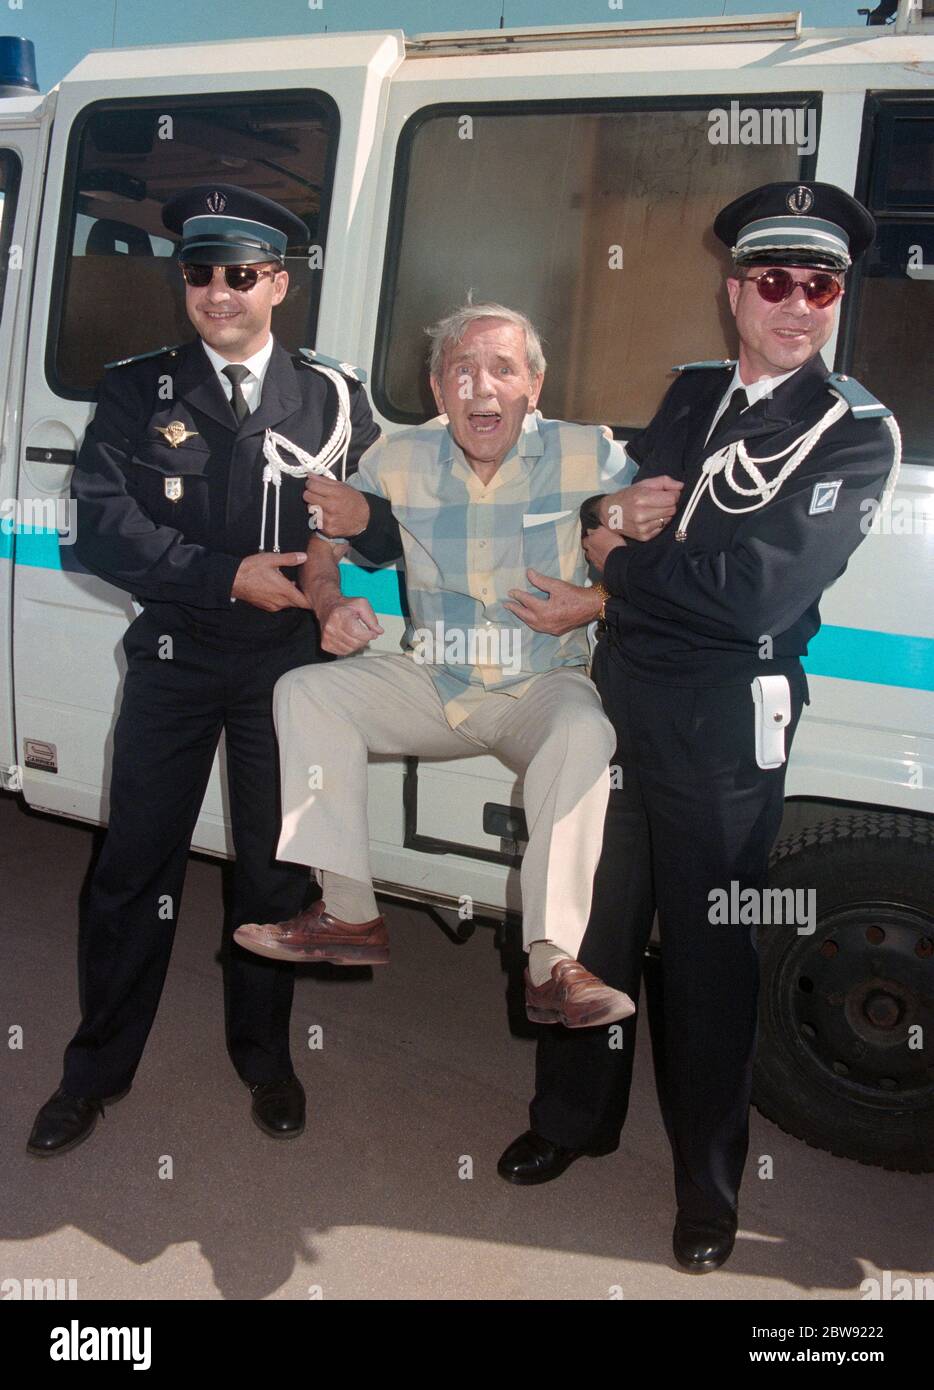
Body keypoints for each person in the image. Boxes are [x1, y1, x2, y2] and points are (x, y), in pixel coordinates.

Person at [497, 182, 901, 1273]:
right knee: (588, 925)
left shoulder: (853, 432)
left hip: (725, 720)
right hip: (621, 696)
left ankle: (708, 1192)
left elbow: (753, 596)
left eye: (818, 284)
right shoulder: (686, 393)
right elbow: (613, 500)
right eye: (773, 281)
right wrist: (601, 526)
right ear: (734, 294)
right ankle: (574, 1121)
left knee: (710, 962)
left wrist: (618, 564)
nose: (796, 304)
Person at [27, 184, 400, 1156]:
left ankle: (264, 1056)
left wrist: (369, 524)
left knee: (274, 879)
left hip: (287, 675)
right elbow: (97, 529)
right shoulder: (135, 388)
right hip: (174, 659)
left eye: (240, 274)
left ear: (278, 281)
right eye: (199, 273)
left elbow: (394, 534)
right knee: (131, 869)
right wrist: (223, 574)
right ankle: (94, 1070)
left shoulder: (333, 396)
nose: (217, 293)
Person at [234, 302, 683, 1028]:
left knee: (584, 732)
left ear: (534, 385)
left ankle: (553, 962)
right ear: (438, 392)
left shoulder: (590, 454)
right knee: (304, 692)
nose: (483, 389)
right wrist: (327, 605)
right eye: (462, 372)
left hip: (540, 683)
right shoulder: (400, 457)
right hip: (434, 680)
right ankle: (349, 915)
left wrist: (595, 601)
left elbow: (660, 554)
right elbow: (328, 543)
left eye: (504, 369)